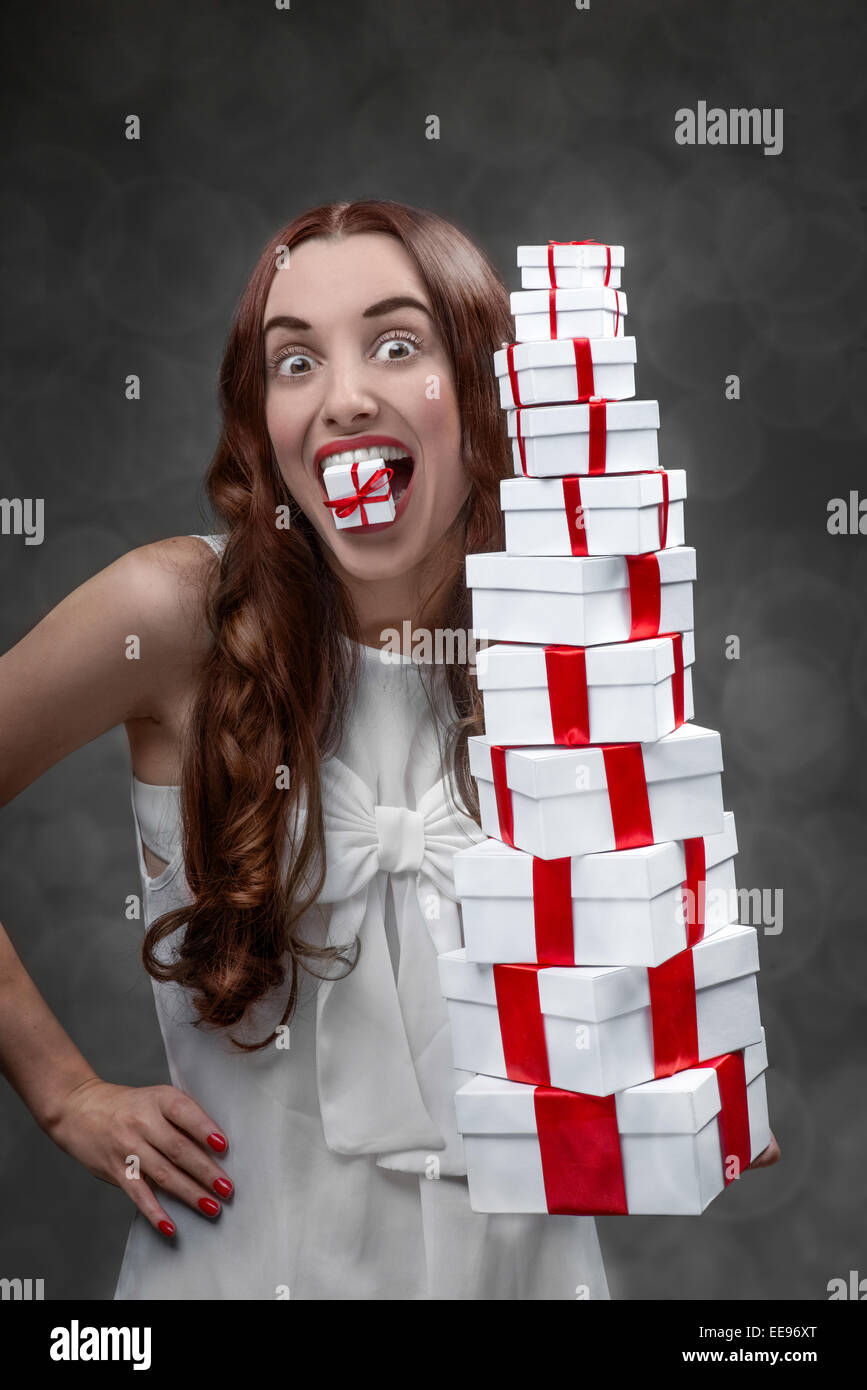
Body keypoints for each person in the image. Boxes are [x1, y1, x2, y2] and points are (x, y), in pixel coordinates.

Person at [0, 198, 779, 1301]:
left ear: (483, 390)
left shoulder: (571, 637)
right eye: (295, 360)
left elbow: (640, 948)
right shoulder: (175, 610)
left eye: (396, 344)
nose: (344, 396)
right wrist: (61, 1090)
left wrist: (689, 1084)